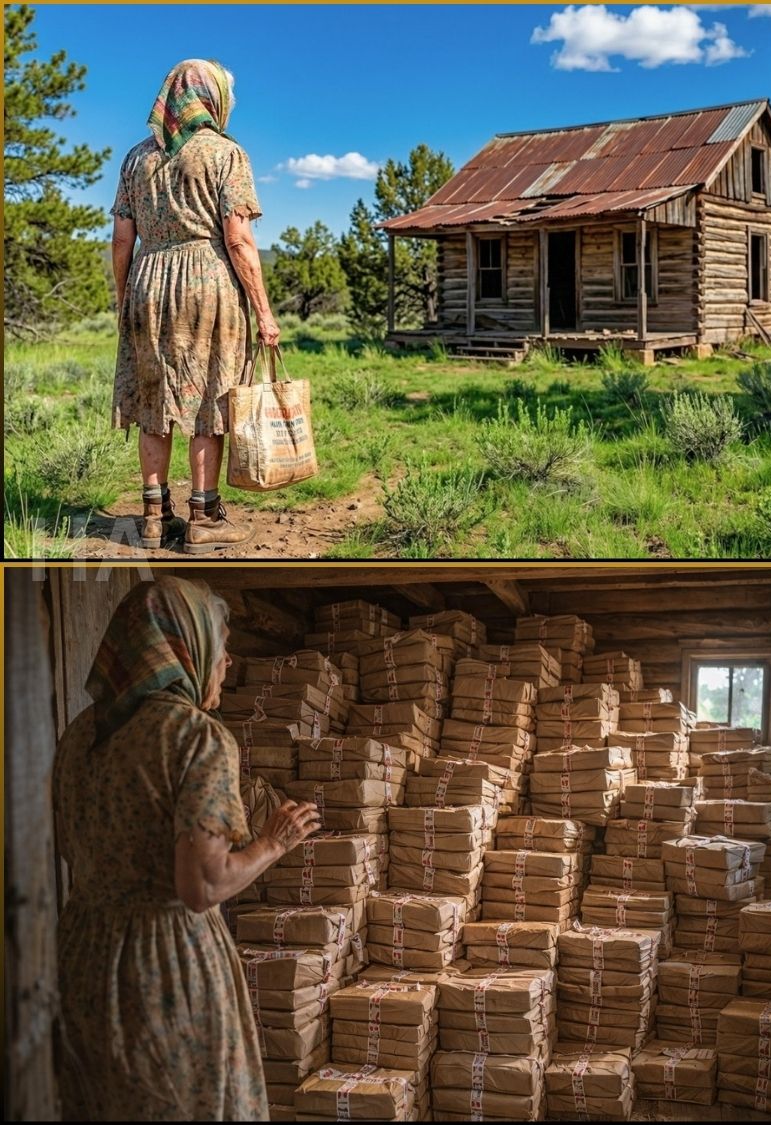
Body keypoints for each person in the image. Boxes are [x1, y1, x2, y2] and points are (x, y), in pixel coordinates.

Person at [53, 576, 319, 1120]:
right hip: (162, 967)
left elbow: (69, 844)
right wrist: (273, 842)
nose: (227, 661)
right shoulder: (195, 736)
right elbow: (203, 884)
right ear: (184, 646)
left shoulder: (79, 736)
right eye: (220, 646)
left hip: (81, 956)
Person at [111, 59, 280, 554]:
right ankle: (204, 518)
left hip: (147, 281)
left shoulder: (135, 159)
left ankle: (153, 517)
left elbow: (121, 239)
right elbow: (239, 241)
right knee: (210, 397)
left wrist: (125, 297)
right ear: (210, 98)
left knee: (154, 399)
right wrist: (264, 312)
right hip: (207, 284)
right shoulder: (226, 153)